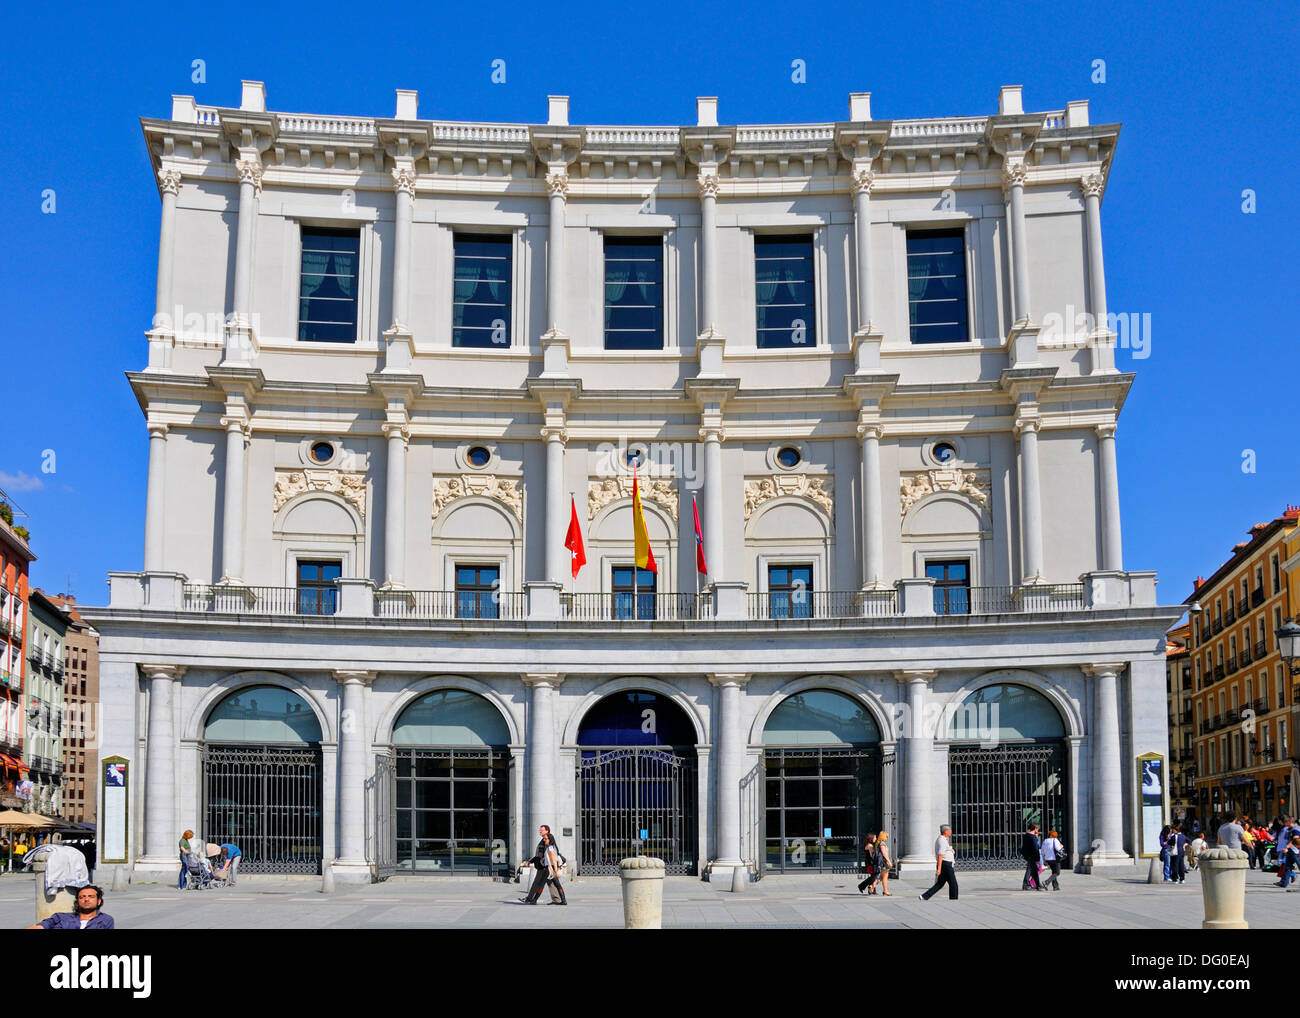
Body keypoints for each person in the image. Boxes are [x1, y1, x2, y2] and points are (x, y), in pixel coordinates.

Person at [25, 885, 114, 929]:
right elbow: (39, 927)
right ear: (77, 902)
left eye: (91, 896)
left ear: (98, 901)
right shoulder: (60, 917)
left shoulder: (106, 920)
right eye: (82, 897)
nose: (86, 899)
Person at [919, 823, 958, 901]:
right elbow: (940, 855)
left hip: (945, 864)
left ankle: (924, 896)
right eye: (950, 830)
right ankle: (954, 900)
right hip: (946, 865)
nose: (951, 831)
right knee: (953, 884)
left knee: (940, 884)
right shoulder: (942, 840)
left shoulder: (943, 839)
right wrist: (939, 869)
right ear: (945, 831)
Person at [1021, 823, 1042, 890]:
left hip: (1028, 856)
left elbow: (1023, 848)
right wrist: (1037, 859)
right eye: (1037, 829)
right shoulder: (1033, 838)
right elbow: (1036, 849)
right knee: (1030, 870)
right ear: (1035, 828)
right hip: (1033, 856)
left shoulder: (1026, 836)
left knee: (1034, 871)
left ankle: (1038, 885)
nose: (1038, 830)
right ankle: (1026, 884)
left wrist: (1025, 856)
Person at [873, 832, 893, 896]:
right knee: (885, 877)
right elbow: (884, 853)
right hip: (884, 862)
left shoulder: (877, 843)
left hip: (881, 862)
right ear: (883, 836)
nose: (887, 838)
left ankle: (872, 887)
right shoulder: (882, 843)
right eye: (886, 836)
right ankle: (885, 891)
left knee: (881, 877)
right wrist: (889, 861)